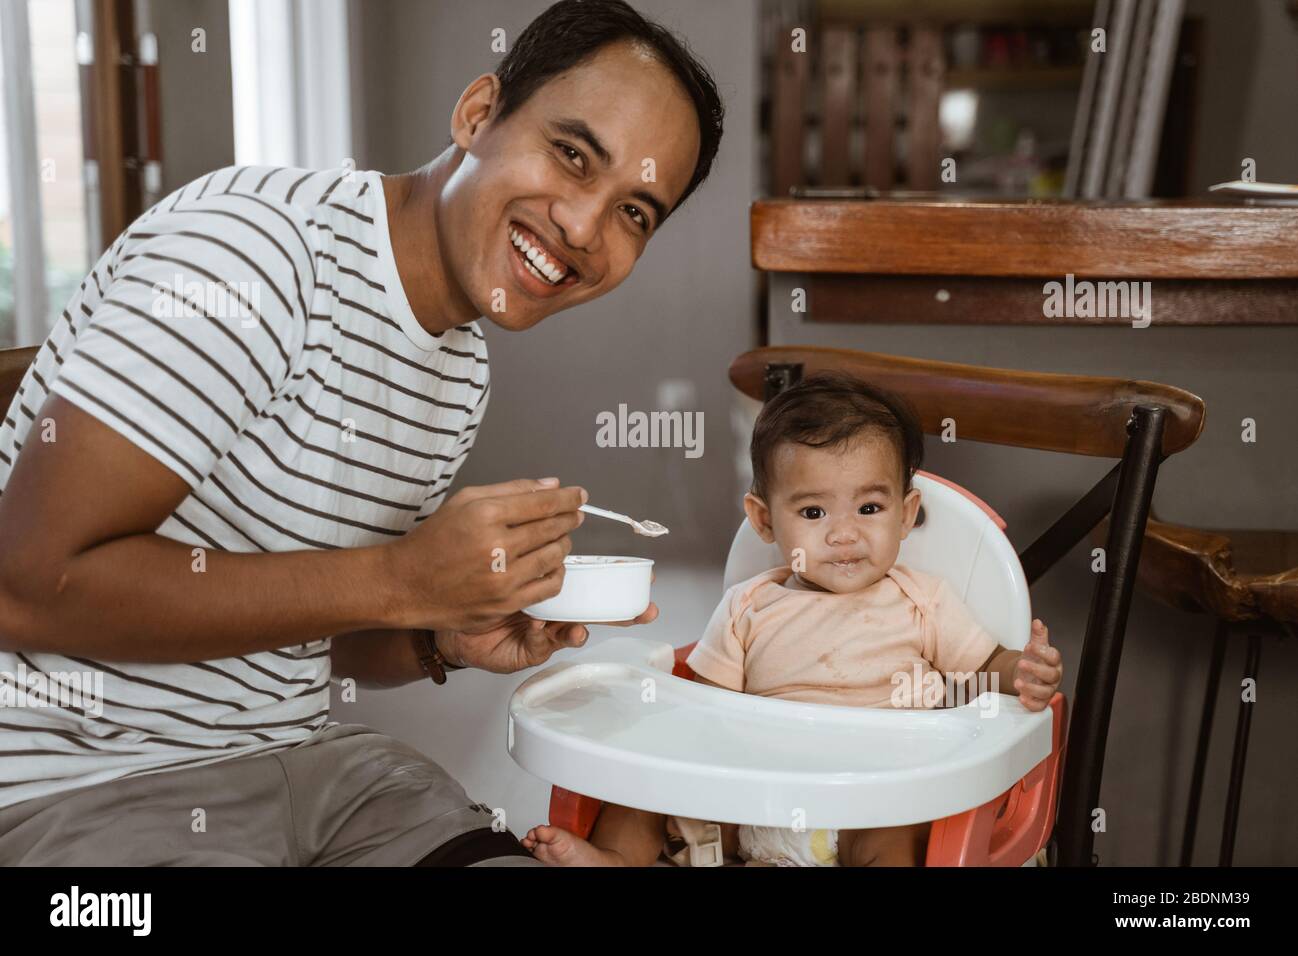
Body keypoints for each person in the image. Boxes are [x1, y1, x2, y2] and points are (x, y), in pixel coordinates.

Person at [0, 0, 724, 866]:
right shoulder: (250, 256)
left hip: (315, 772)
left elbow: (312, 623)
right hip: (80, 791)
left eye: (634, 212)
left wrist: (437, 632)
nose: (581, 227)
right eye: (572, 155)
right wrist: (398, 576)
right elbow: (29, 589)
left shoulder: (459, 370)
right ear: (478, 112)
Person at [522, 372, 1064, 866]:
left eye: (869, 509)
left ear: (907, 513)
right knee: (638, 789)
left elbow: (987, 666)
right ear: (763, 519)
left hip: (868, 806)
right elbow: (697, 712)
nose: (843, 534)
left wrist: (1023, 671)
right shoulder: (748, 605)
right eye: (812, 512)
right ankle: (614, 859)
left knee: (895, 842)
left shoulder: (924, 602)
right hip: (751, 800)